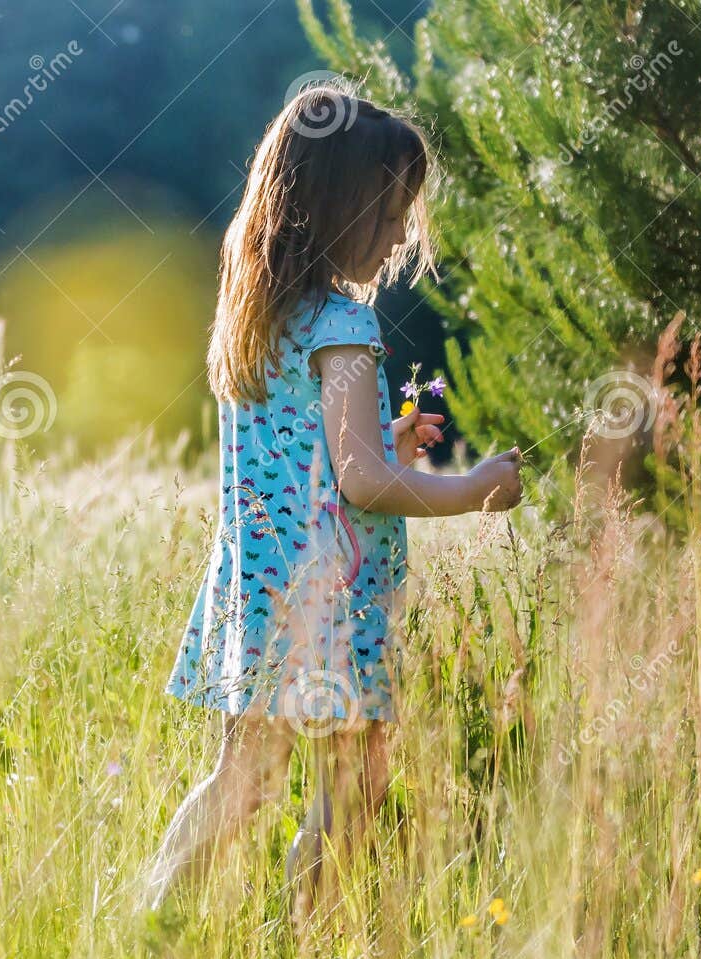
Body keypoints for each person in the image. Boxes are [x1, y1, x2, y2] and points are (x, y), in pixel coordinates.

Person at [141, 82, 523, 915]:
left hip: (260, 583)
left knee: (241, 778)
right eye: (388, 217)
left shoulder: (260, 320)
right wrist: (474, 489)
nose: (396, 239)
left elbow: (313, 458)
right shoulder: (346, 328)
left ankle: (151, 917)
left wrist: (387, 442)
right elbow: (360, 485)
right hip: (329, 597)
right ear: (336, 209)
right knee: (358, 779)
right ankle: (297, 945)